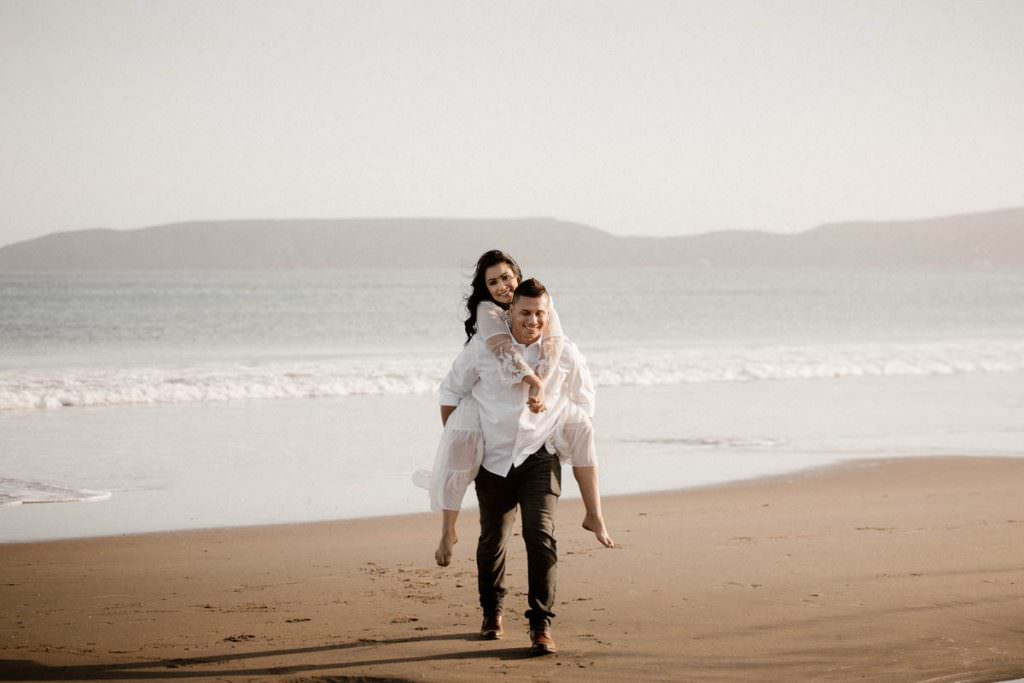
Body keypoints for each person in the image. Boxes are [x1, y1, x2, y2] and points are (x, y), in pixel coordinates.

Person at [436, 277, 612, 656]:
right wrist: (460, 439)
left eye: (540, 314)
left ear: (548, 315)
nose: (533, 321)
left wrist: (559, 426)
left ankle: (541, 625)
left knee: (541, 536)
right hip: (493, 460)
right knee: (492, 541)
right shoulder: (483, 350)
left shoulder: (564, 354)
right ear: (510, 312)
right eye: (526, 313)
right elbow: (450, 391)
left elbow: (585, 399)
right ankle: (492, 611)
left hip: (539, 457)